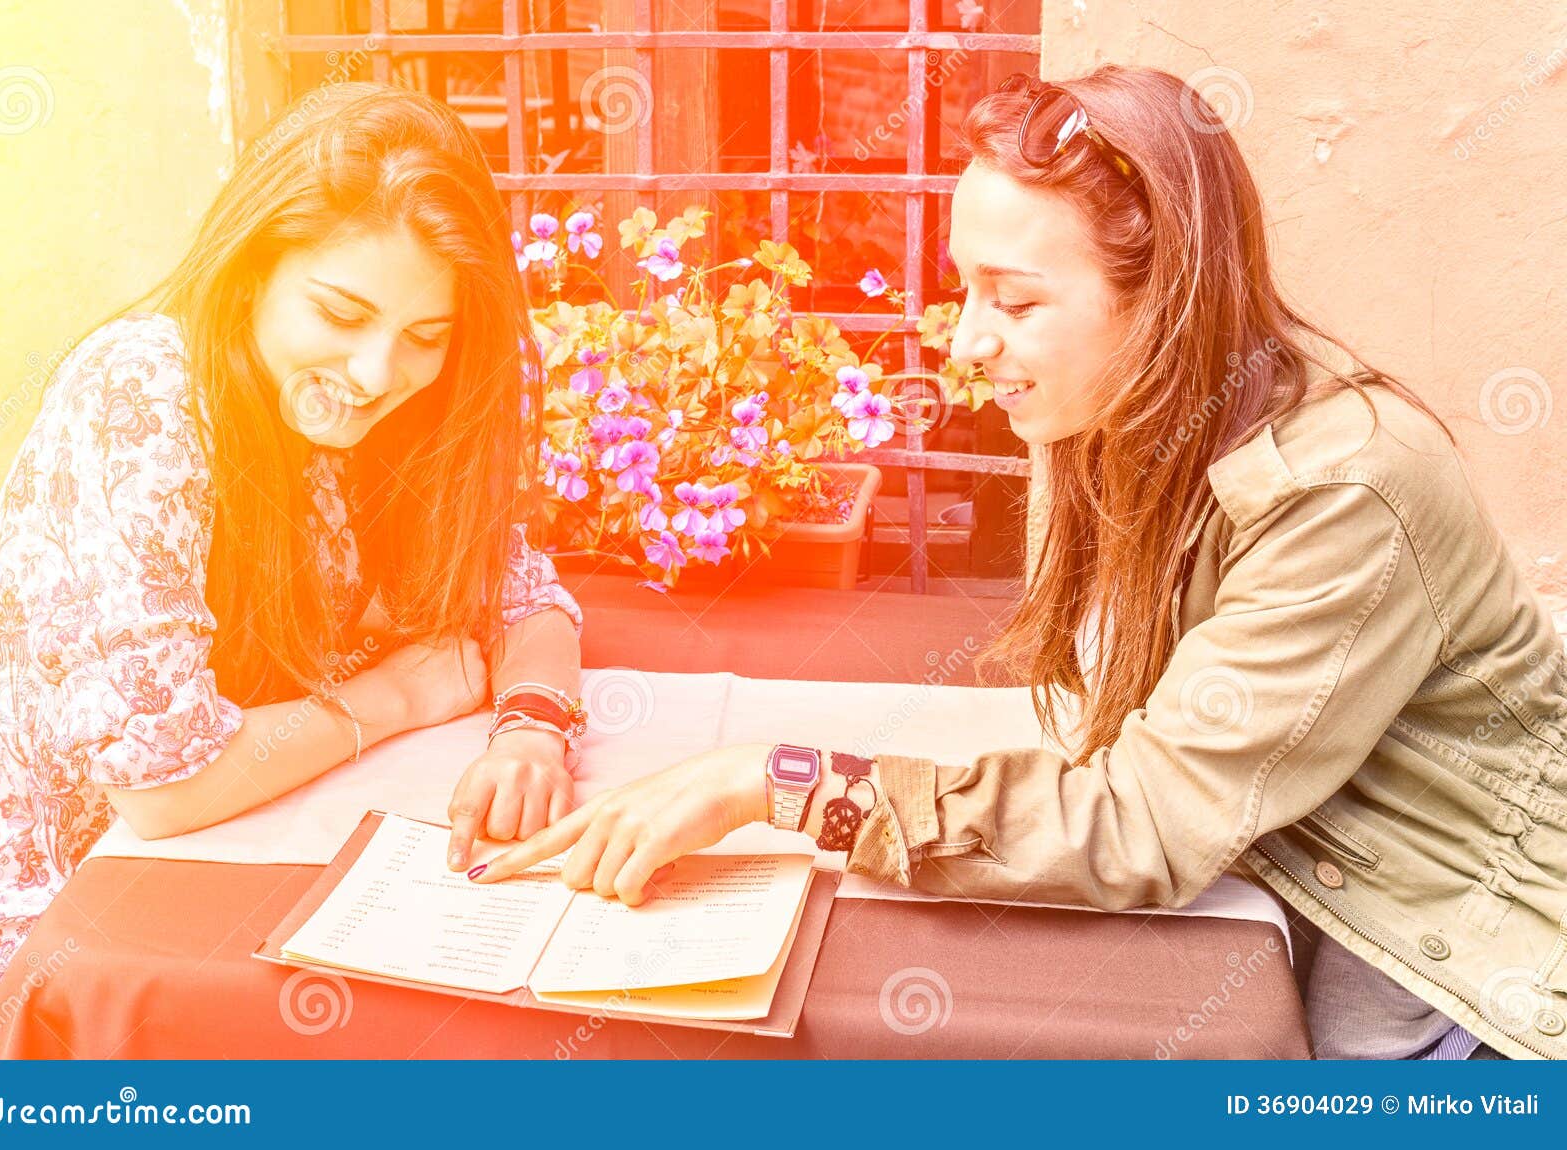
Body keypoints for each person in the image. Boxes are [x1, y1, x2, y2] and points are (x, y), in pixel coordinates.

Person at [475, 66, 1567, 1061]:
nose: (965, 341)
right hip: (1306, 898)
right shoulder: (1115, 420)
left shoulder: (1343, 488)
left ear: (1166, 298)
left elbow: (1142, 821)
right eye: (966, 289)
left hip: (1473, 973)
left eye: (1016, 300)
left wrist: (781, 782)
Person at [0, 83, 586, 1048]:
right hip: (50, 956)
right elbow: (165, 787)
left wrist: (532, 731)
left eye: (425, 338)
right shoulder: (146, 388)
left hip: (236, 889)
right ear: (254, 269)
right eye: (340, 313)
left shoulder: (393, 417)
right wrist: (395, 700)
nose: (378, 373)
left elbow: (521, 596)